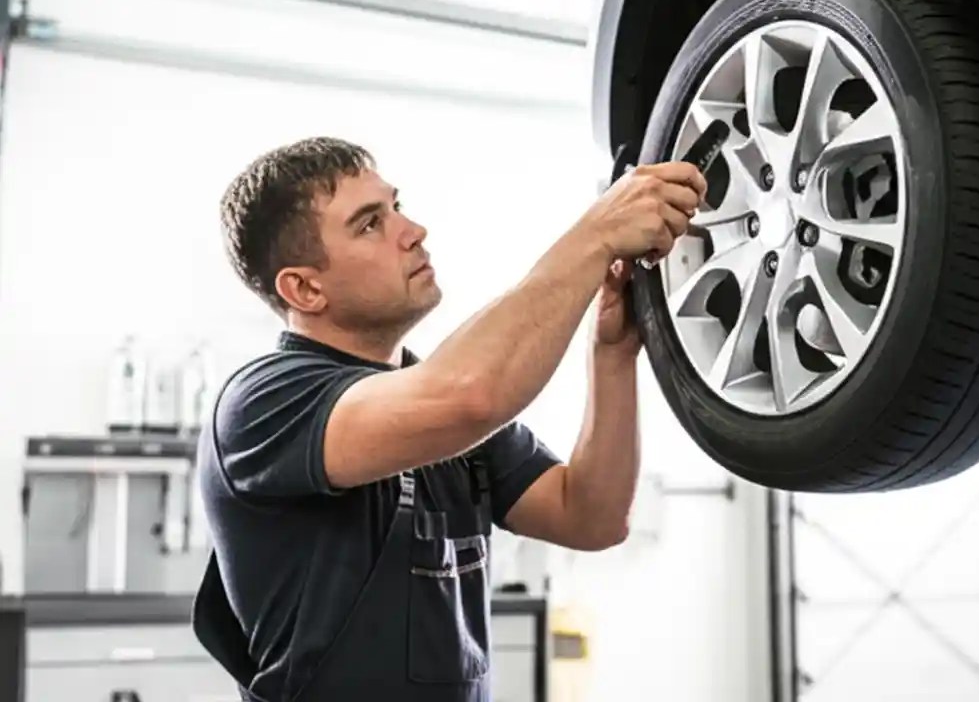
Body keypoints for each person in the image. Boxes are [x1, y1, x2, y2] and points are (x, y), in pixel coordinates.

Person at [191, 136, 707, 701]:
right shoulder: (266, 402)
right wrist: (595, 234)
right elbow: (472, 394)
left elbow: (591, 516)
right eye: (369, 224)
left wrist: (612, 356)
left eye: (396, 206)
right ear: (306, 288)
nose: (412, 230)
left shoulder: (436, 403)